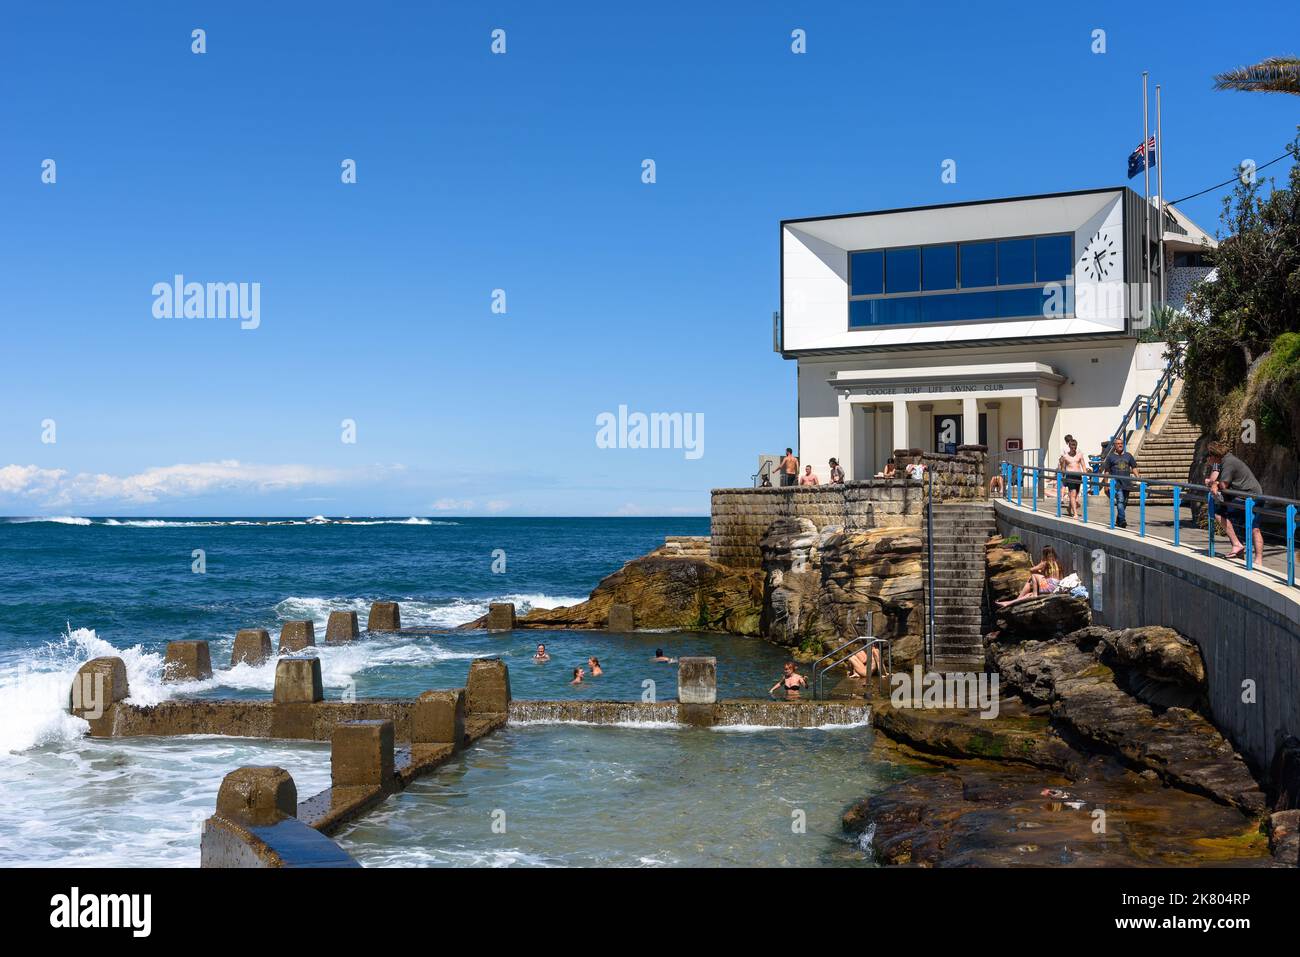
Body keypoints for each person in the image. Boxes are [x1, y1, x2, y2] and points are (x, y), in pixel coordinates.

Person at [1206, 441, 1265, 562]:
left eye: (1209, 455)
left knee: (1253, 527)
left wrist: (1214, 483)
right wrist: (1214, 483)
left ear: (1214, 455)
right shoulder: (1225, 460)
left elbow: (1224, 484)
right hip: (1244, 496)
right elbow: (1217, 479)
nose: (1208, 458)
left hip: (1251, 497)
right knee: (1246, 526)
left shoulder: (1228, 463)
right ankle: (1241, 551)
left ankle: (1252, 556)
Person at [996, 547, 1064, 608]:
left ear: (1044, 555)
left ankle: (1034, 595)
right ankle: (1009, 603)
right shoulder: (1058, 563)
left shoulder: (1045, 562)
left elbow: (1031, 570)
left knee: (1034, 575)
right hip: (1055, 587)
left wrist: (1040, 565)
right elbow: (1059, 578)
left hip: (1048, 587)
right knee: (1028, 594)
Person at [1101, 435, 1139, 528]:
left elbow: (1134, 468)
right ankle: (1122, 521)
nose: (1120, 445)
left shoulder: (1128, 455)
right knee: (1120, 501)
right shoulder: (1110, 457)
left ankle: (1118, 519)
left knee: (1124, 502)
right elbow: (1106, 471)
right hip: (1117, 484)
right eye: (1118, 444)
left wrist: (1138, 478)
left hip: (1127, 483)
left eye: (1121, 443)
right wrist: (1106, 485)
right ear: (1114, 446)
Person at [1059, 435, 1087, 520]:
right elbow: (1063, 468)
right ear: (1069, 446)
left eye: (1075, 447)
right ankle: (1075, 513)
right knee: (1073, 494)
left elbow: (1083, 466)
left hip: (1078, 476)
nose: (1073, 448)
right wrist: (1063, 476)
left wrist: (1085, 475)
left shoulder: (1080, 455)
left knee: (1075, 495)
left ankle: (1069, 508)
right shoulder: (1065, 456)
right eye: (1072, 447)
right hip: (1070, 476)